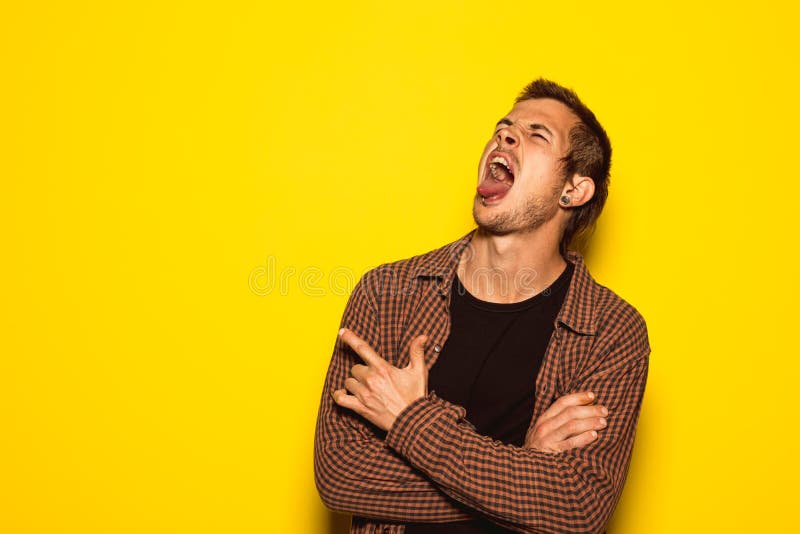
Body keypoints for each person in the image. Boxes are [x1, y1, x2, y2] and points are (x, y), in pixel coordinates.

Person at [313, 78, 651, 534]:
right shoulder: (386, 293)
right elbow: (340, 475)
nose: (505, 135)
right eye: (504, 127)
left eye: (536, 134)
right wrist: (526, 465)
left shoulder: (612, 330)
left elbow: (577, 507)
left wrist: (411, 421)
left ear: (573, 190)